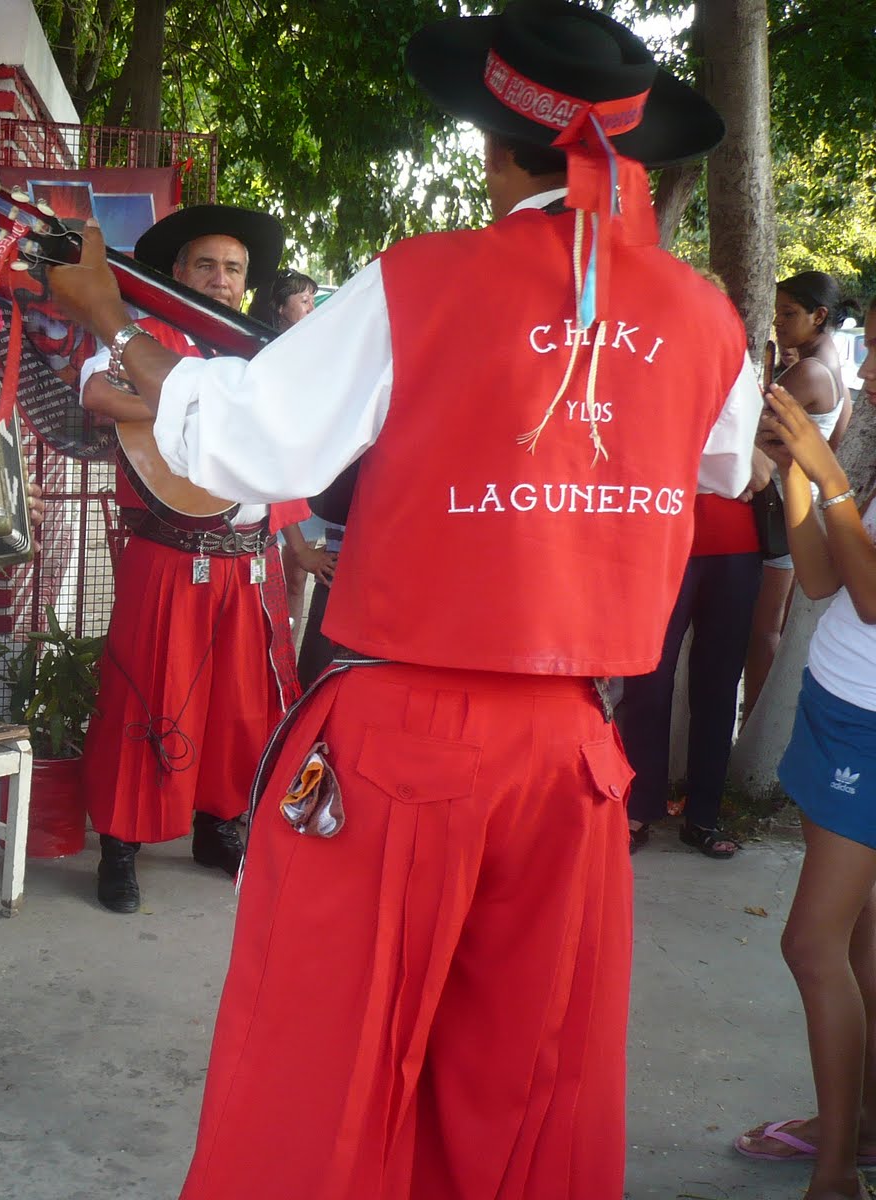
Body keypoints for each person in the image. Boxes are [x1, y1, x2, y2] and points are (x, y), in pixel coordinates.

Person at [46, 2, 758, 1195]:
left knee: (324, 1062)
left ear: (492, 144)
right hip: (577, 750)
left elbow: (248, 448)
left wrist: (120, 325)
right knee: (523, 1079)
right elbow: (725, 464)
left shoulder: (421, 283)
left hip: (407, 736)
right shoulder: (703, 318)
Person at [77, 205, 309, 913]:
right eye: (205, 265)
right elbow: (94, 392)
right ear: (177, 274)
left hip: (249, 558)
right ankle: (121, 844)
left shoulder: (266, 351)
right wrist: (192, 411)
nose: (219, 279)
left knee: (242, 705)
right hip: (168, 552)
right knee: (147, 694)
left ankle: (219, 825)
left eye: (232, 269)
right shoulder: (142, 336)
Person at [733, 356, 876, 1200]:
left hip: (866, 728)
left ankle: (837, 1174)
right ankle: (856, 1126)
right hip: (841, 710)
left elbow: (870, 599)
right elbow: (823, 577)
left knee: (811, 943)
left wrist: (828, 476)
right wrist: (797, 464)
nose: (866, 364)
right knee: (858, 945)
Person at [619, 274, 773, 860]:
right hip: (663, 541)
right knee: (648, 681)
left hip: (735, 547)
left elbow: (766, 454)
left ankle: (703, 815)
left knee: (717, 682)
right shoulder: (647, 367)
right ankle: (637, 807)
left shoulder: (737, 367)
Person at [743, 271, 853, 722]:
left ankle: (753, 726)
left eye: (789, 313)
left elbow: (749, 434)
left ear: (819, 316)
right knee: (770, 627)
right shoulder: (832, 369)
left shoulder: (808, 371)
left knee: (764, 630)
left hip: (783, 511)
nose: (778, 323)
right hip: (798, 511)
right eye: (777, 313)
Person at [251, 268, 337, 624]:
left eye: (312, 301)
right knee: (286, 576)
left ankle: (291, 658)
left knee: (304, 576)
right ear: (281, 308)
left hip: (316, 481)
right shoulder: (263, 356)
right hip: (283, 486)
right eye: (304, 301)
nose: (311, 309)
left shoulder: (321, 355)